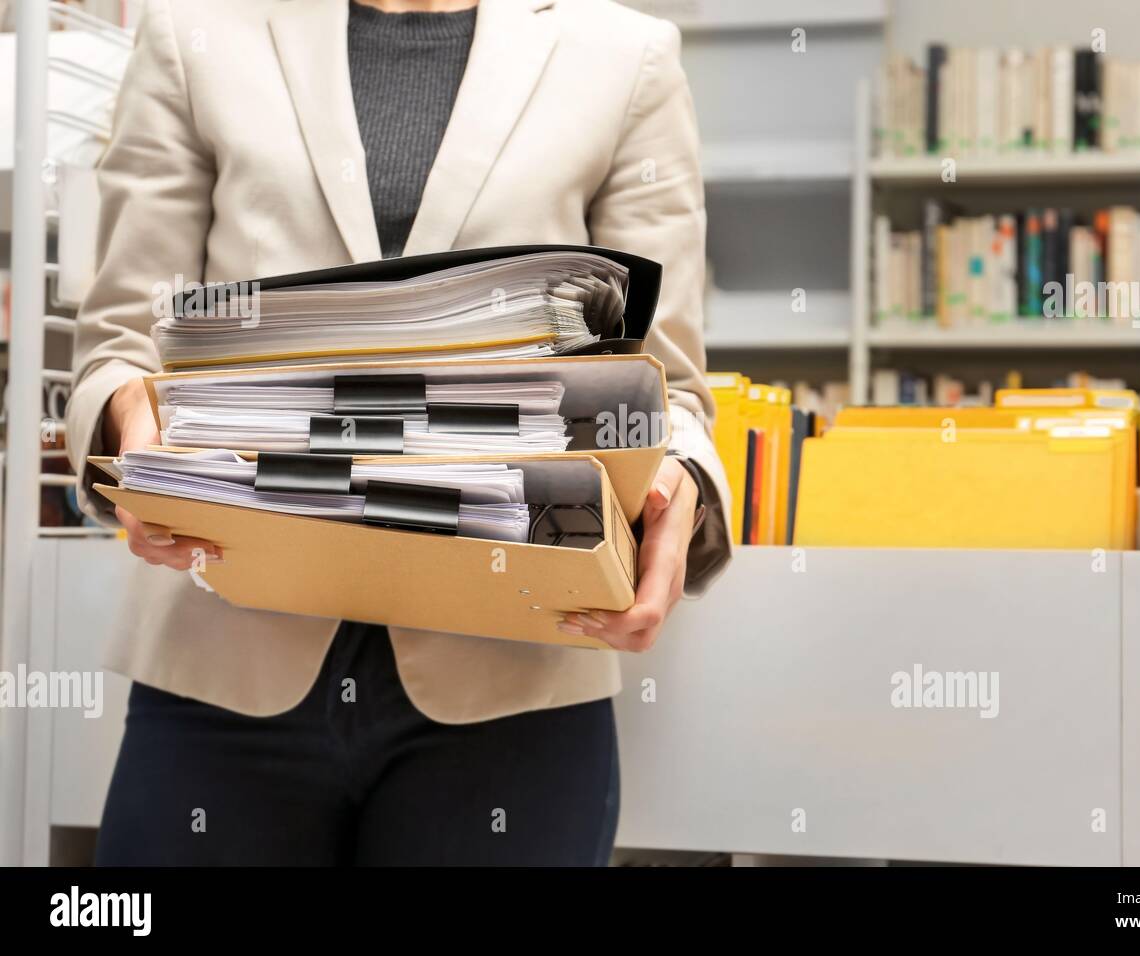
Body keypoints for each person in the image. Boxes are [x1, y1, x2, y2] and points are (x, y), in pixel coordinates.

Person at [67, 0, 731, 866]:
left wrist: (677, 483)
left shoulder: (627, 54)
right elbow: (122, 336)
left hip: (516, 670)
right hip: (226, 649)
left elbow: (668, 381)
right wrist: (133, 428)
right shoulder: (196, 31)